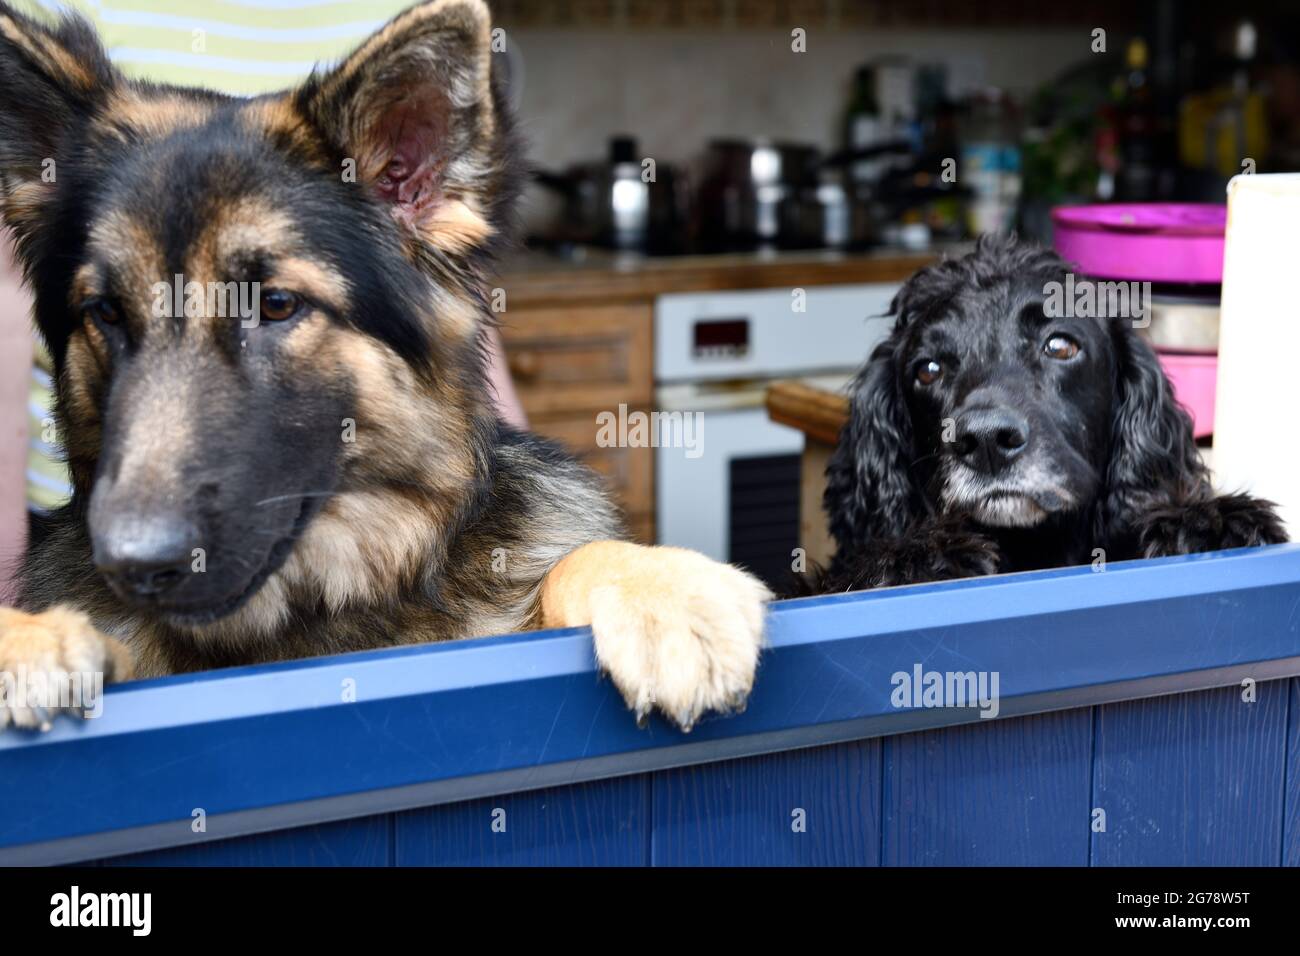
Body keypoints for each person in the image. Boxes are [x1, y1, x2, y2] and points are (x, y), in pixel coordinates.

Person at [0, 0, 526, 599]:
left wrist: (515, 518)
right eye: (110, 311)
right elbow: (6, 310)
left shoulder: (399, 15)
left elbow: (449, 311)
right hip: (67, 547)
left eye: (274, 305)